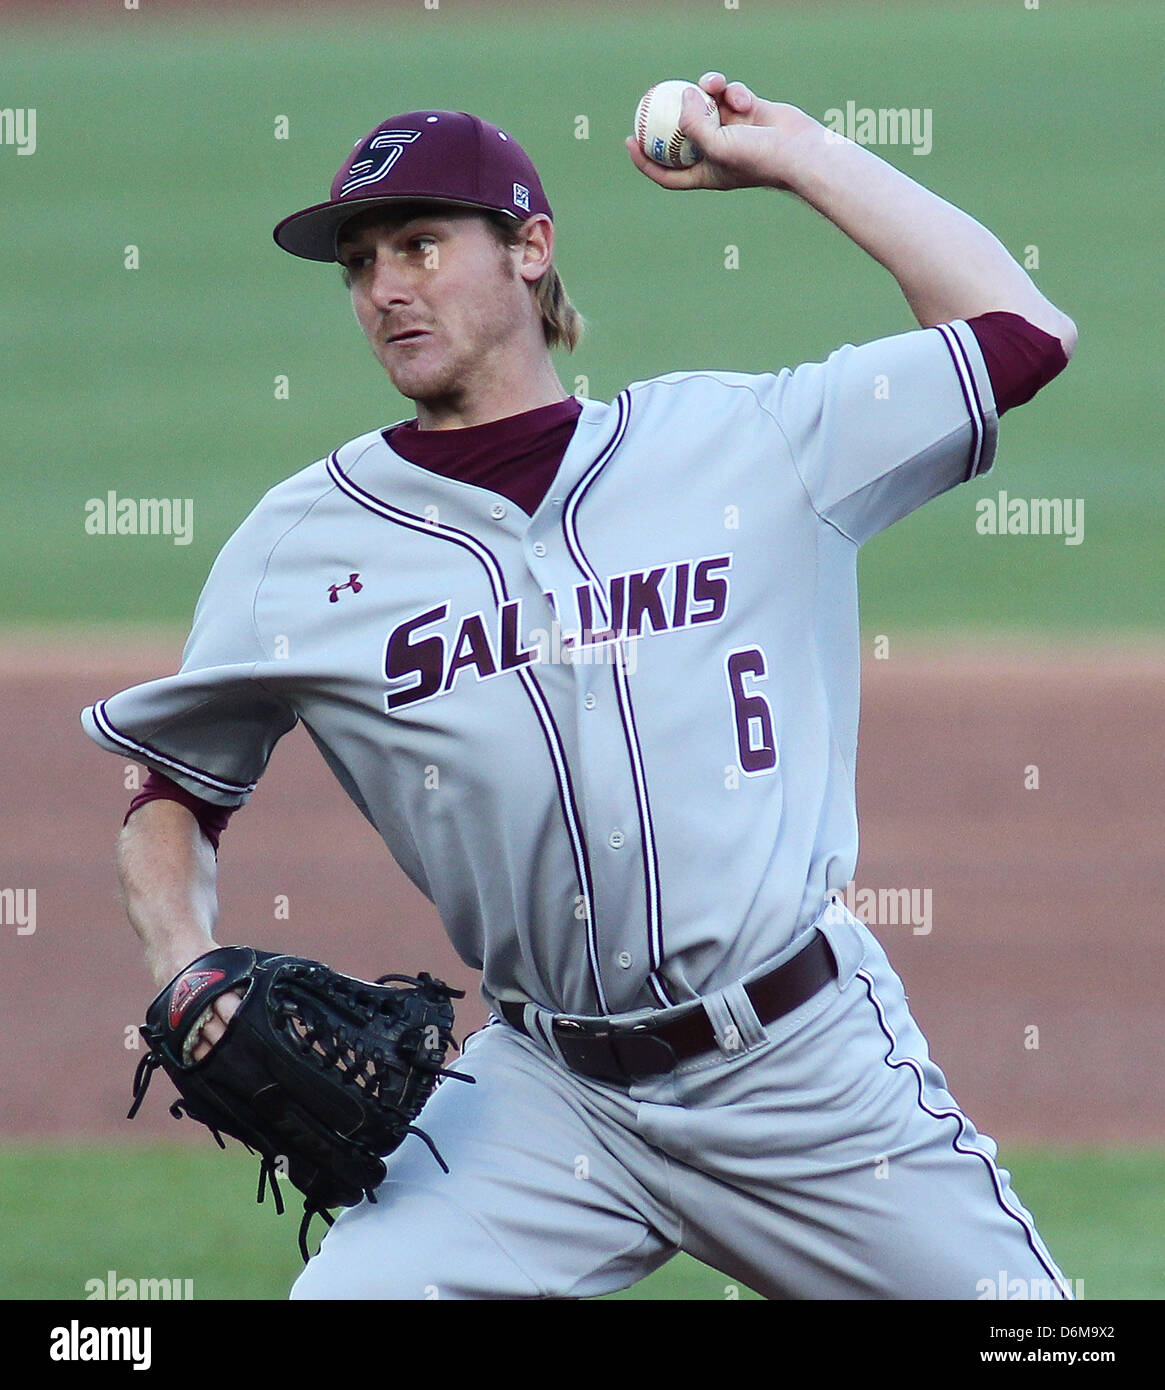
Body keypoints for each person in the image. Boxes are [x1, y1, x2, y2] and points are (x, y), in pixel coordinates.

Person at [82, 74, 1077, 1300]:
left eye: (419, 244)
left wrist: (799, 155)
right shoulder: (299, 547)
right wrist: (184, 964)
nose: (385, 287)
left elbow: (1021, 333)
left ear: (530, 249)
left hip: (802, 1072)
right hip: (546, 1101)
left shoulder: (745, 444)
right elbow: (171, 791)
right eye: (359, 263)